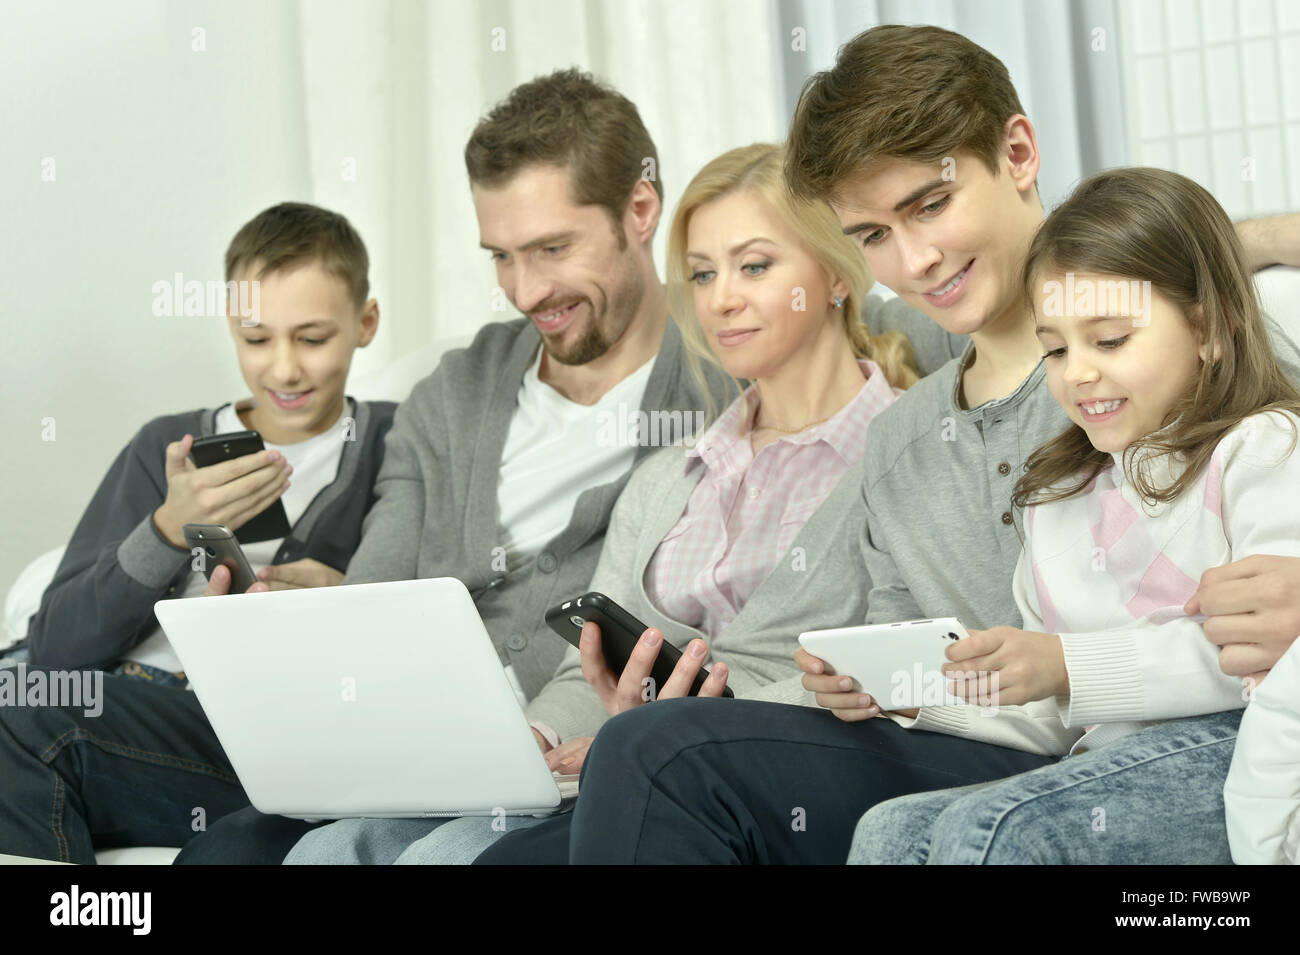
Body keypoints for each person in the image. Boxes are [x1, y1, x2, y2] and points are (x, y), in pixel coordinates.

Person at [477, 24, 1300, 865]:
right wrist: (868, 685)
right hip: (973, 727)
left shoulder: (1188, 351)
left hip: (1117, 748)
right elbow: (903, 652)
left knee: (660, 752)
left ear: (1019, 152)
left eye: (931, 205)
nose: (916, 261)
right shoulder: (906, 437)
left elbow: (1192, 281)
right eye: (872, 235)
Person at [283, 141, 921, 864]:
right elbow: (582, 670)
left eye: (754, 265)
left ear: (836, 274)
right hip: (627, 755)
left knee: (444, 859)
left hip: (767, 772)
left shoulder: (903, 450)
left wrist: (661, 729)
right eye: (703, 274)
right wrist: (538, 740)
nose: (721, 299)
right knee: (327, 854)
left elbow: (892, 671)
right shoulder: (669, 476)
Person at [848, 166, 1300, 863]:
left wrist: (1067, 665)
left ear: (1210, 330)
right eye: (1055, 348)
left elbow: (1264, 661)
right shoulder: (1056, 499)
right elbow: (1052, 712)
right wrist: (906, 693)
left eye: (1110, 340)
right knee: (889, 831)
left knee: (999, 830)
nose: (1077, 372)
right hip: (1105, 768)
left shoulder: (1260, 450)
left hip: (1233, 741)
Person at [0, 202, 395, 863]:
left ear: (366, 322)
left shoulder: (396, 443)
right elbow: (57, 646)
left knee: (21, 722)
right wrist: (164, 529)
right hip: (109, 696)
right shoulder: (165, 442)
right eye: (257, 338)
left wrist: (344, 594)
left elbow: (422, 602)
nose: (284, 369)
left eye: (313, 337)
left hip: (226, 729)